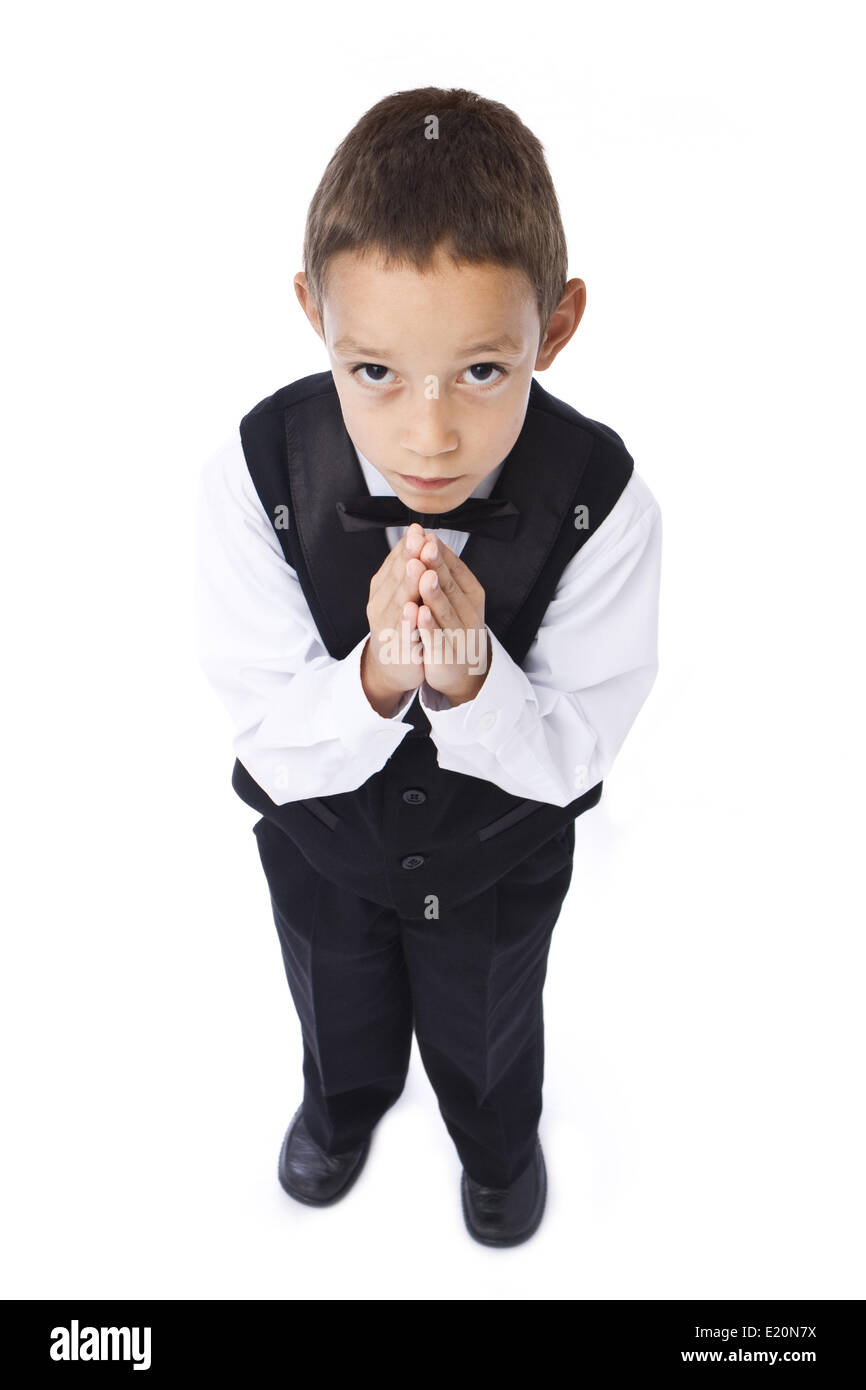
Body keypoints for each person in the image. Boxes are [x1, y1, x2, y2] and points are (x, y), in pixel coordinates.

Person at [195, 86, 662, 1248]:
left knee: (491, 1018)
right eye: (376, 373)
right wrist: (367, 678)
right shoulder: (257, 473)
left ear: (551, 330)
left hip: (496, 862)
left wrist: (469, 682)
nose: (429, 434)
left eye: (482, 372)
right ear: (314, 317)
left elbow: (577, 746)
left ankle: (496, 1150)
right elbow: (263, 724)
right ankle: (341, 1109)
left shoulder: (604, 503)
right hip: (324, 847)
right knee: (330, 988)